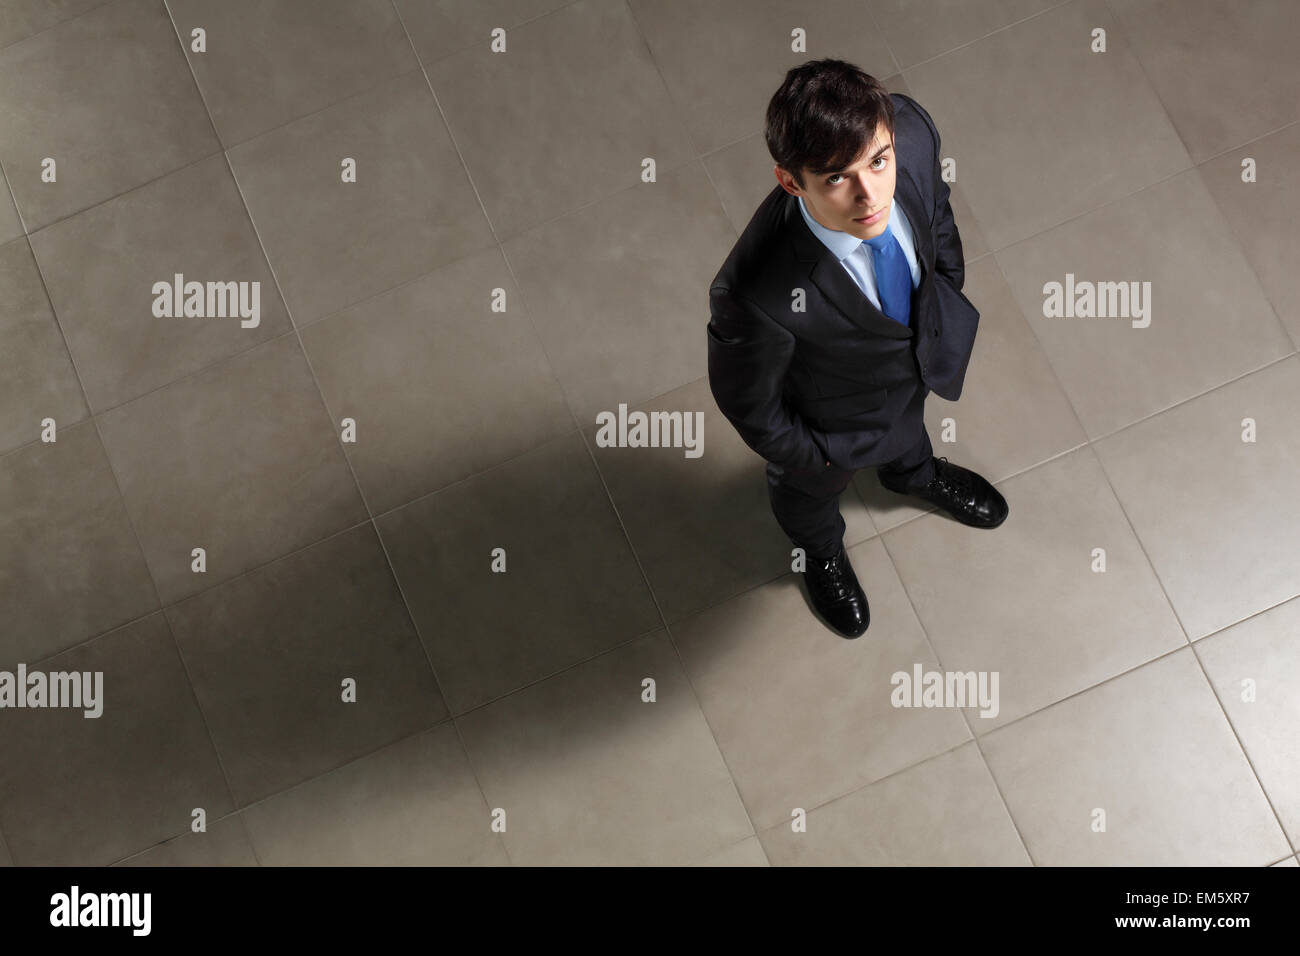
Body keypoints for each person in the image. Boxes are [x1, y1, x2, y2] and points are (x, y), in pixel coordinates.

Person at [707, 58, 1008, 639]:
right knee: (809, 496)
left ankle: (913, 474)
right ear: (791, 182)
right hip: (830, 423)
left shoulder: (911, 134)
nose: (871, 195)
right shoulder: (754, 292)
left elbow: (936, 213)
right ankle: (820, 553)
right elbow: (749, 404)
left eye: (877, 161)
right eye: (836, 178)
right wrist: (814, 452)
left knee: (907, 425)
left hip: (910, 364)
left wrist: (944, 285)